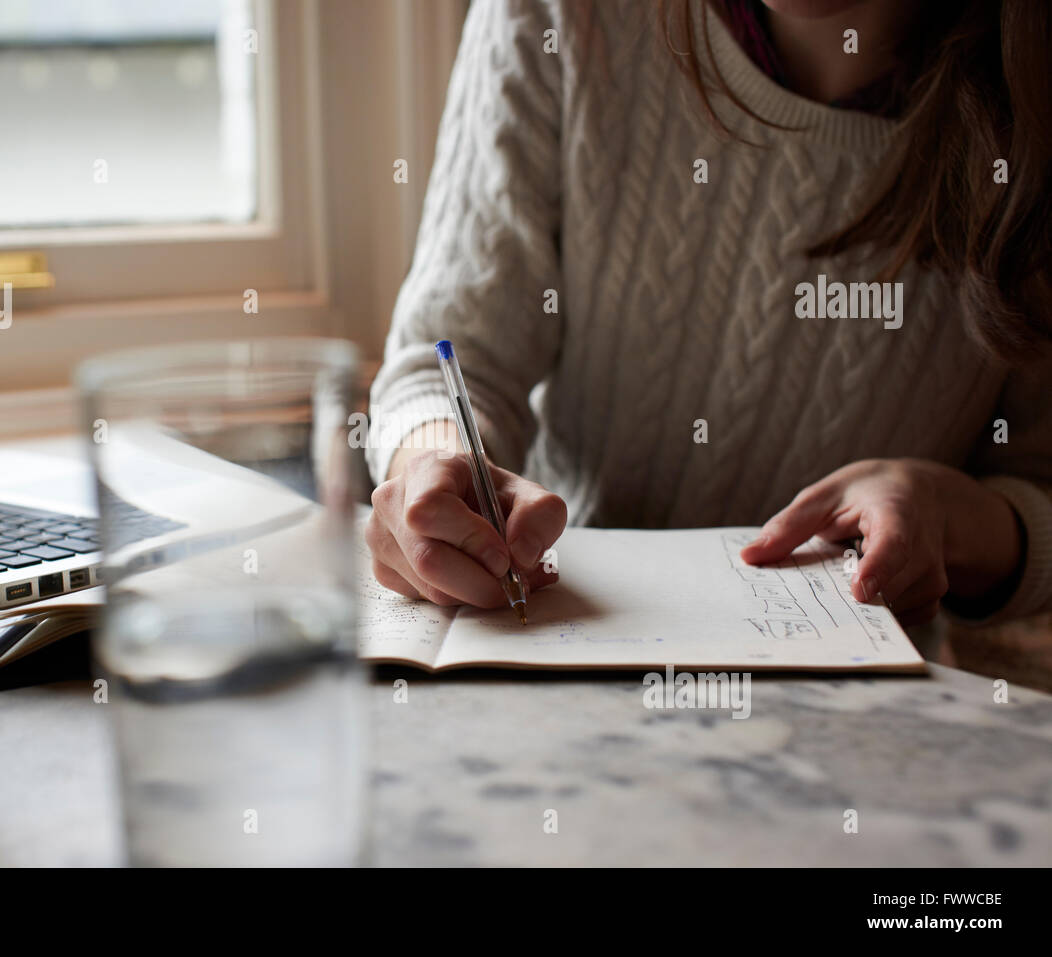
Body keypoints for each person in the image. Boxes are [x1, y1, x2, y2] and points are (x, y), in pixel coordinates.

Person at [365, 0, 1052, 635]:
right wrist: (436, 461)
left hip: (863, 704)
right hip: (560, 630)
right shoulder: (562, 16)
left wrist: (950, 514)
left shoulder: (1032, 102)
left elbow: (1038, 482)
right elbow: (451, 359)